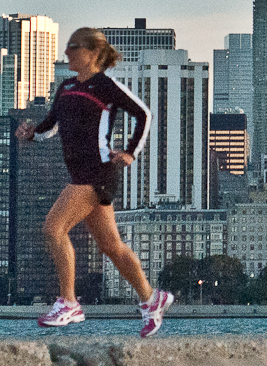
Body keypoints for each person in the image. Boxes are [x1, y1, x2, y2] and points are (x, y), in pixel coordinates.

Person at [16, 27, 174, 337]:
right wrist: (31, 133)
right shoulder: (66, 87)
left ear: (93, 53)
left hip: (97, 172)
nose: (67, 53)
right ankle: (152, 298)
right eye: (67, 47)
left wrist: (130, 152)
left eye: (74, 47)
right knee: (111, 246)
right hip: (80, 174)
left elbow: (144, 115)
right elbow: (51, 125)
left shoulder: (105, 86)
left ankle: (69, 303)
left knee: (53, 228)